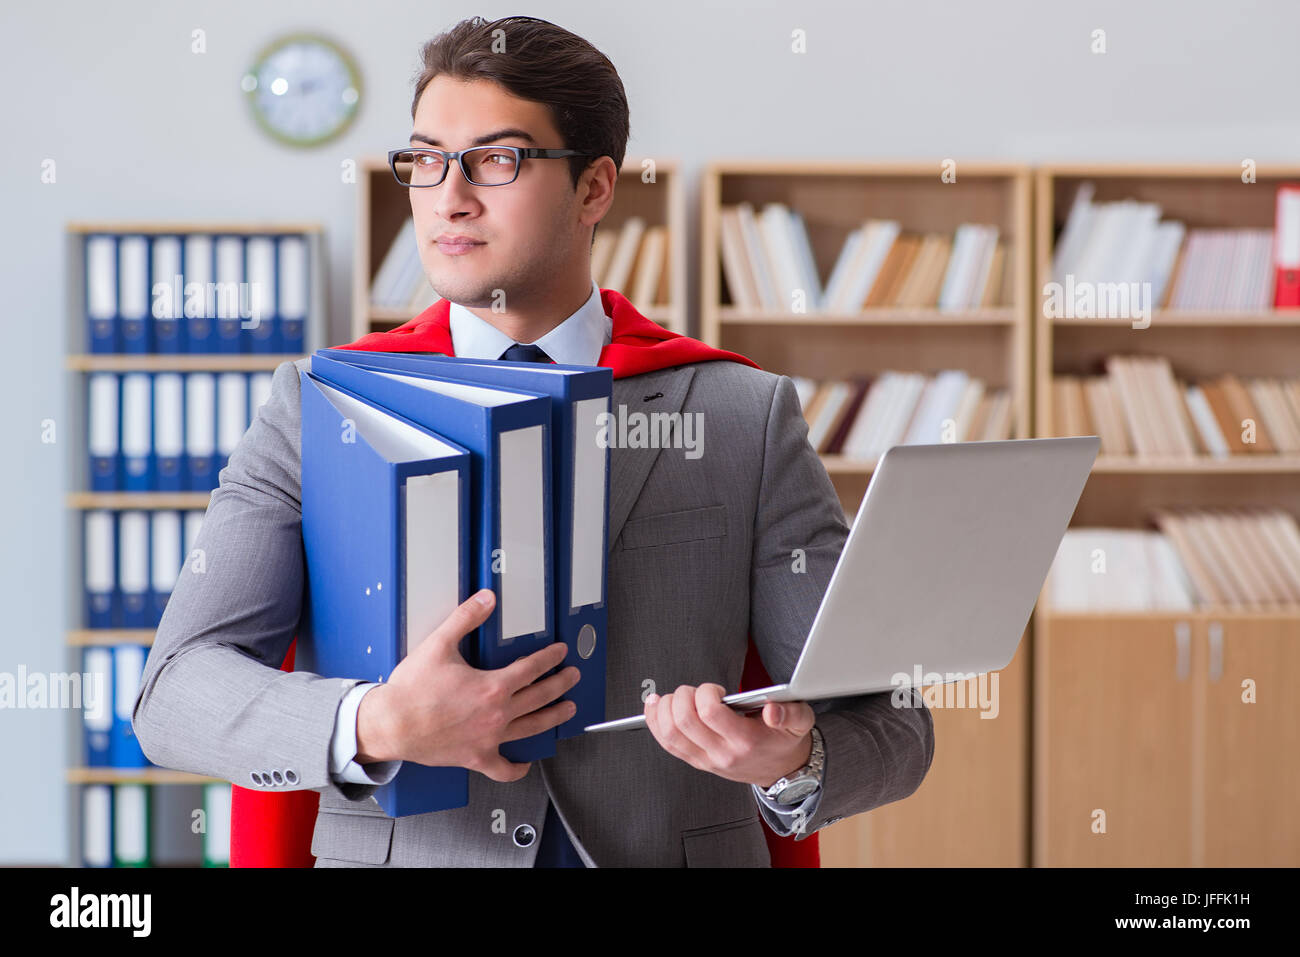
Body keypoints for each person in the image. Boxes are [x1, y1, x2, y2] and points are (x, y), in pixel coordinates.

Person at [133, 15, 934, 867]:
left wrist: (793, 760)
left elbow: (892, 720)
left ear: (594, 189)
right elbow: (176, 691)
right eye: (427, 159)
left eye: (497, 159)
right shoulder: (319, 406)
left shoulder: (741, 414)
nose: (450, 196)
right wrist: (377, 721)